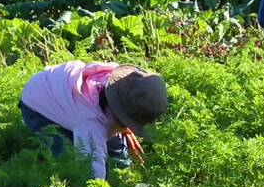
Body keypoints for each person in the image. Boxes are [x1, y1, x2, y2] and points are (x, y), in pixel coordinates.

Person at [19, 62, 169, 180]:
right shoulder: (90, 125)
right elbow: (91, 175)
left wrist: (127, 128)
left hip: (63, 88)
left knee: (119, 159)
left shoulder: (121, 83)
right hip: (38, 105)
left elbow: (121, 111)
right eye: (128, 123)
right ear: (120, 115)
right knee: (67, 157)